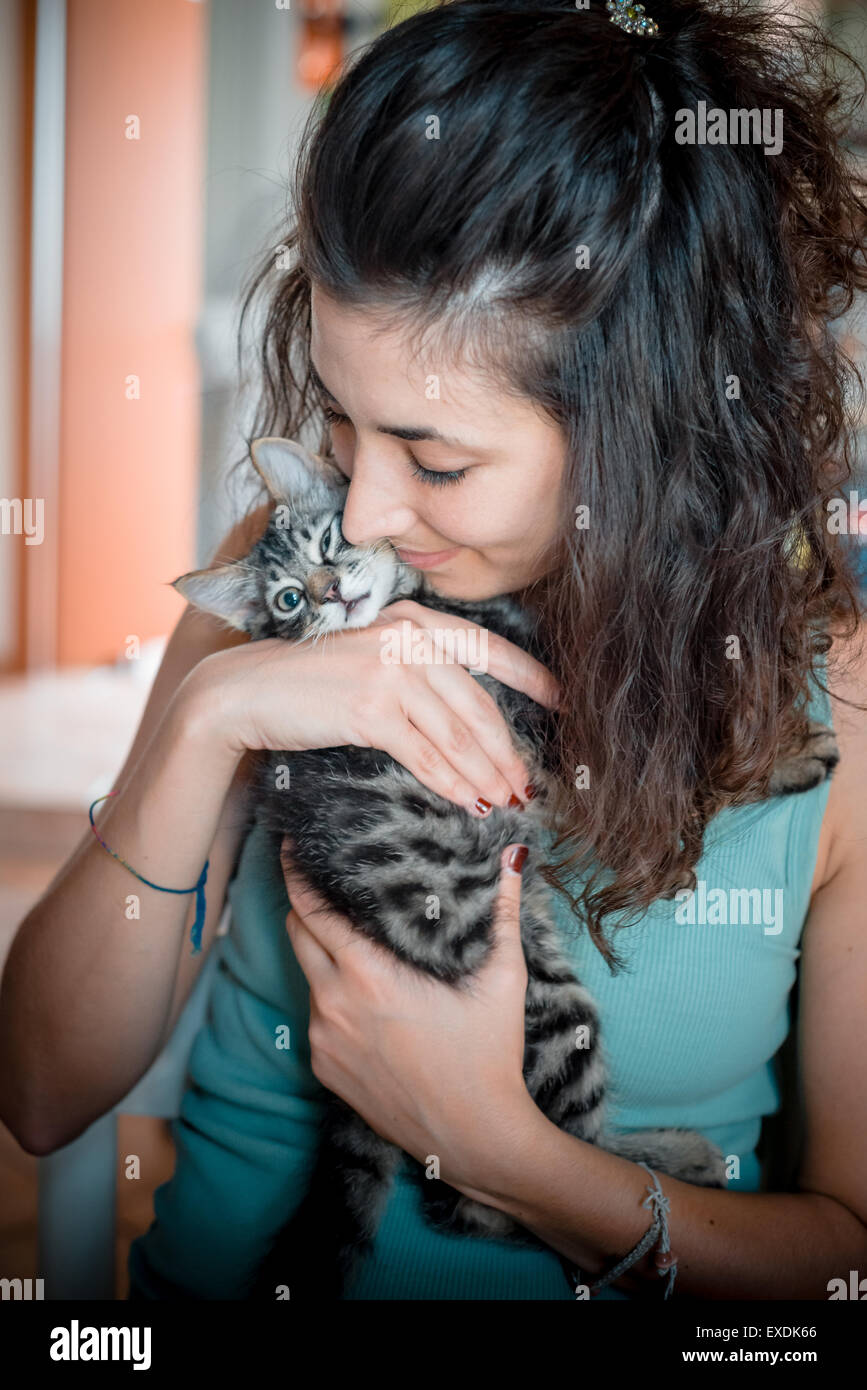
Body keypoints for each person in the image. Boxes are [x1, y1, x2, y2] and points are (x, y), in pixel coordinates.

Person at [3, 0, 867, 1301]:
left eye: (438, 458)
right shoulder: (288, 571)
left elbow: (845, 1257)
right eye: (346, 425)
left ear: (642, 438)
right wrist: (206, 716)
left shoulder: (837, 698)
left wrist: (503, 1151)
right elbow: (36, 1089)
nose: (360, 515)